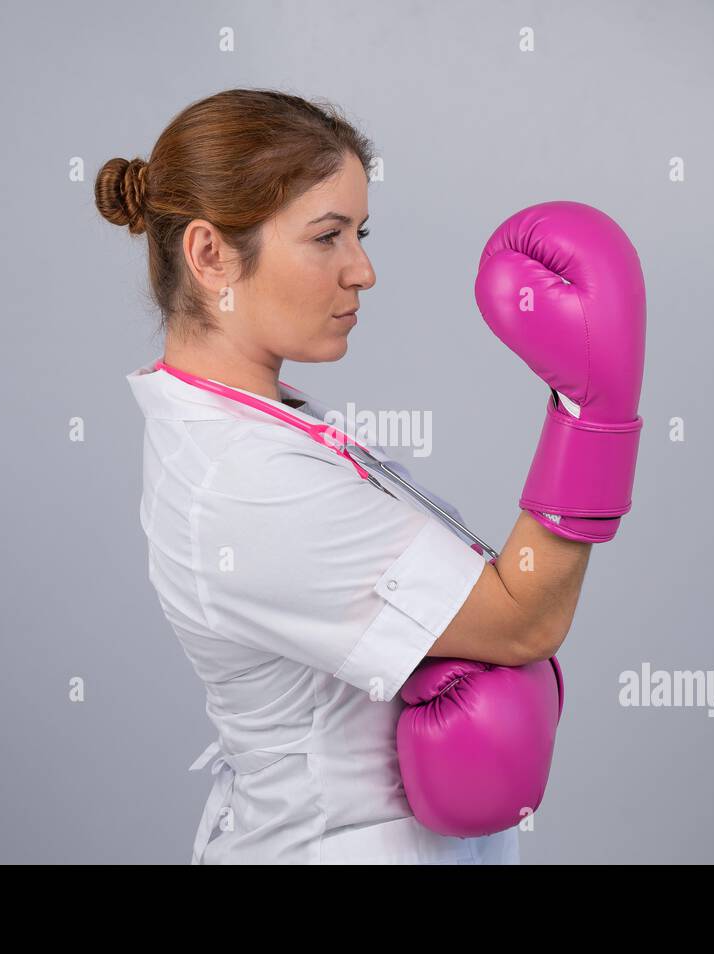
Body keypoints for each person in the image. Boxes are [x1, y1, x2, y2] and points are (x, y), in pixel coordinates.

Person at [98, 88, 593, 864]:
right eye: (327, 237)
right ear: (209, 255)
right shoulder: (244, 481)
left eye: (359, 234)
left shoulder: (266, 428)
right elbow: (521, 618)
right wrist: (590, 412)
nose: (362, 270)